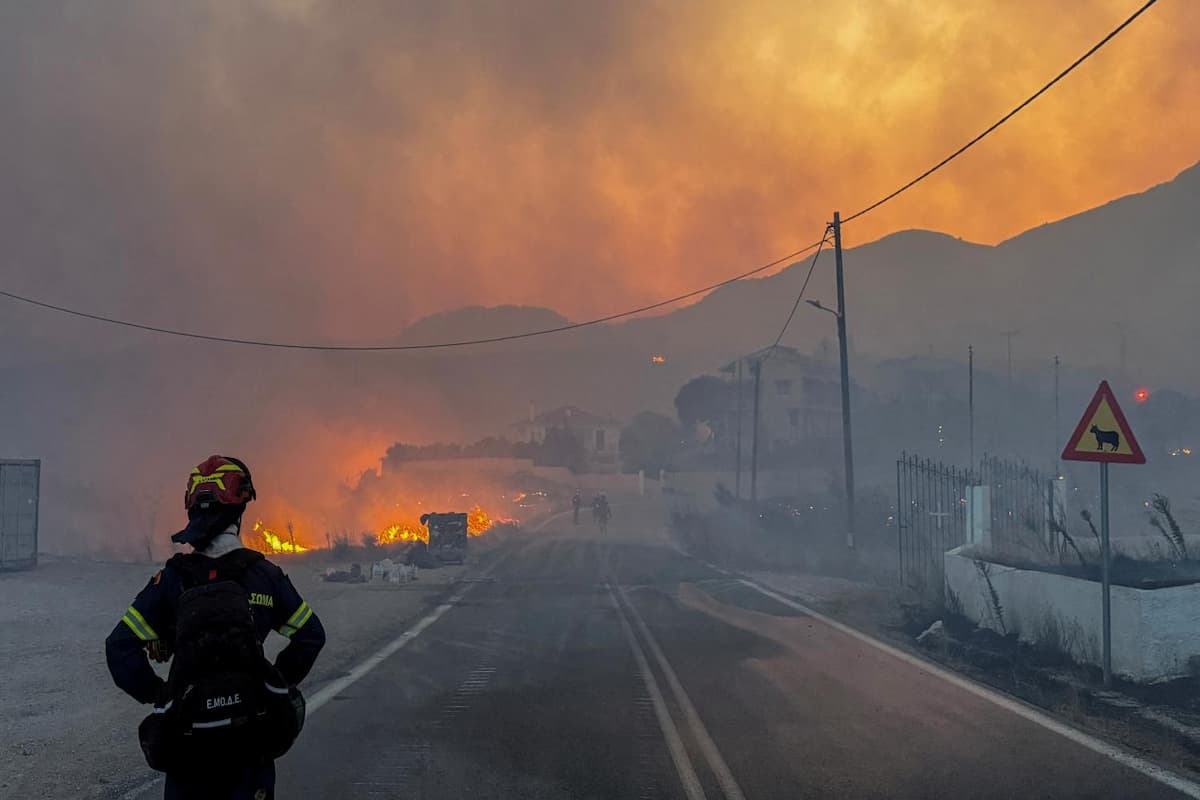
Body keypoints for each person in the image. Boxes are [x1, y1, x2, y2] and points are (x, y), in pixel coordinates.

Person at [106, 455, 326, 800]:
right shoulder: (264, 575)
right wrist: (274, 684)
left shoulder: (172, 579)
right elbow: (311, 635)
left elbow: (119, 646)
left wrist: (160, 694)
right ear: (240, 511)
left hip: (188, 749)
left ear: (192, 508)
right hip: (250, 746)